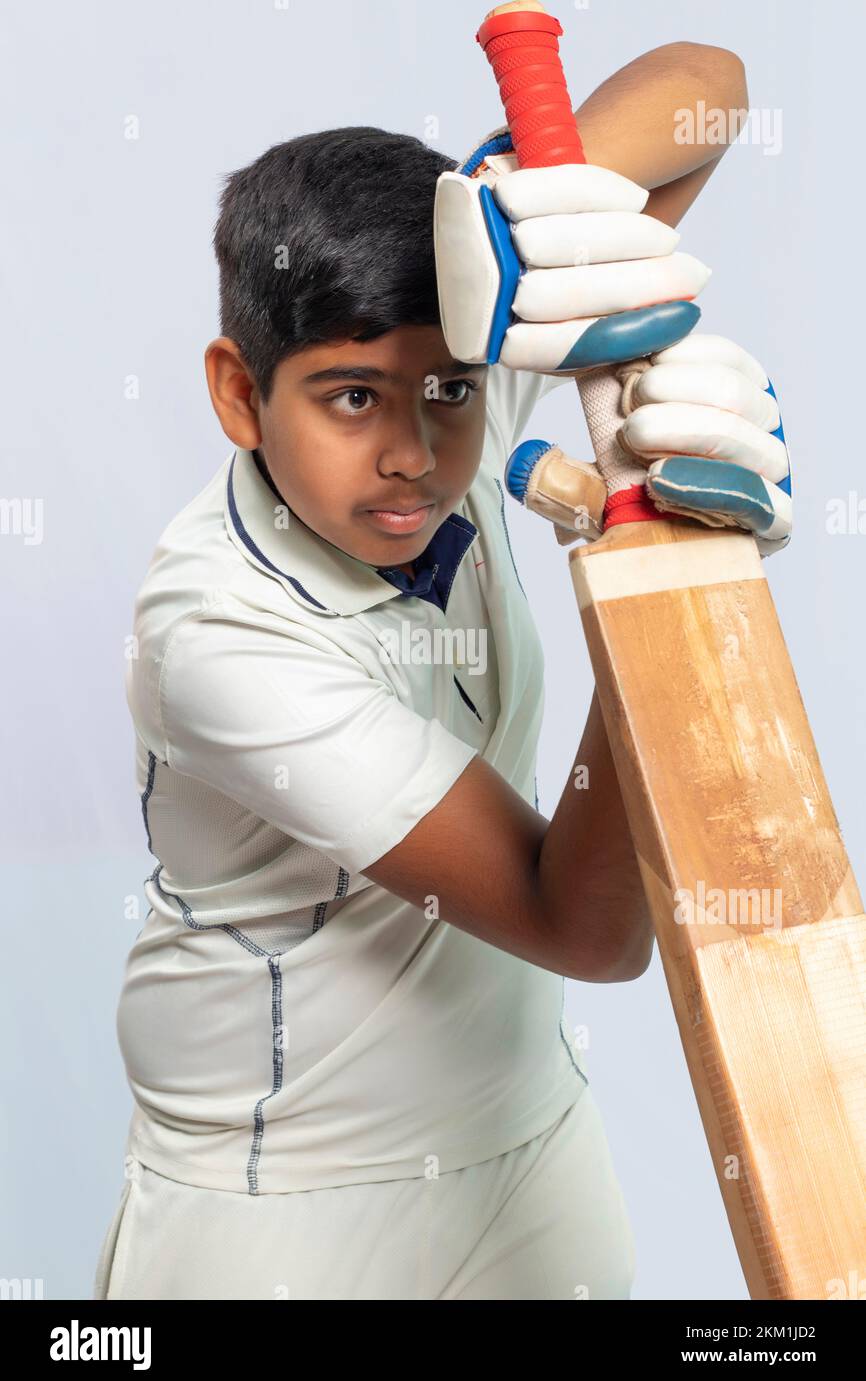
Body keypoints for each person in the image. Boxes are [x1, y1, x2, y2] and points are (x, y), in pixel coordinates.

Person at [93, 40, 774, 1300]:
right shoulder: (212, 632)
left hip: (525, 1141)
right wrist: (659, 574)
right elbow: (582, 923)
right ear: (240, 395)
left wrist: (514, 234)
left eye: (450, 388)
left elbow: (705, 83)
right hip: (280, 1197)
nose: (411, 452)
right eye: (349, 398)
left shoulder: (448, 384)